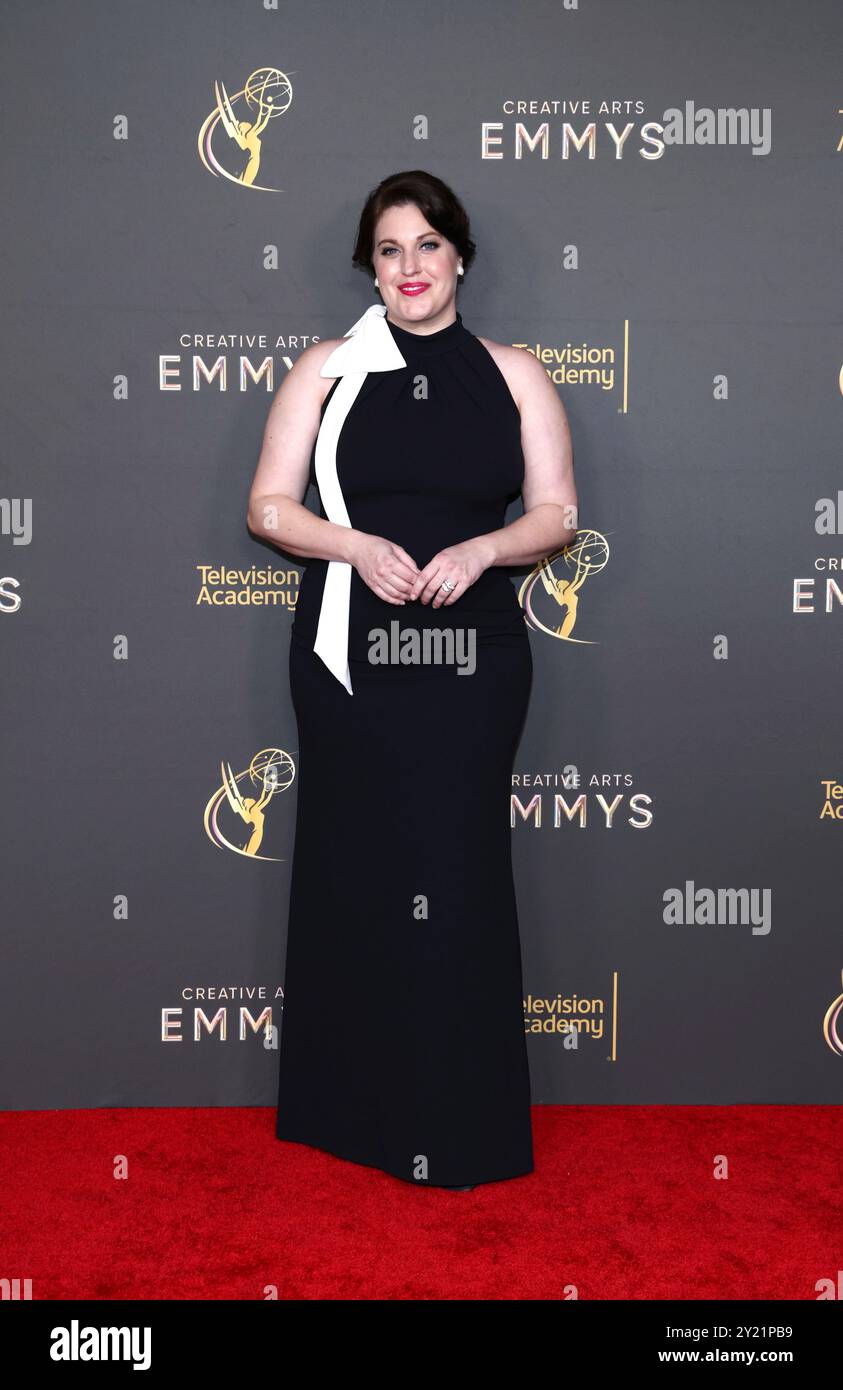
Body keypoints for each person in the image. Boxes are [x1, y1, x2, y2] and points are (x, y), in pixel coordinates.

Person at [247, 169, 576, 1191]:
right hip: (349, 658)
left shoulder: (514, 373)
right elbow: (267, 507)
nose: (410, 267)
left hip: (473, 661)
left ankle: (459, 1119)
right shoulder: (326, 369)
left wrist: (483, 551)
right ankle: (349, 1112)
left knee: (457, 867)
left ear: (459, 257)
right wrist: (351, 545)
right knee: (356, 863)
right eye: (389, 251)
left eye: (427, 245)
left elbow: (557, 514)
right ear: (371, 268)